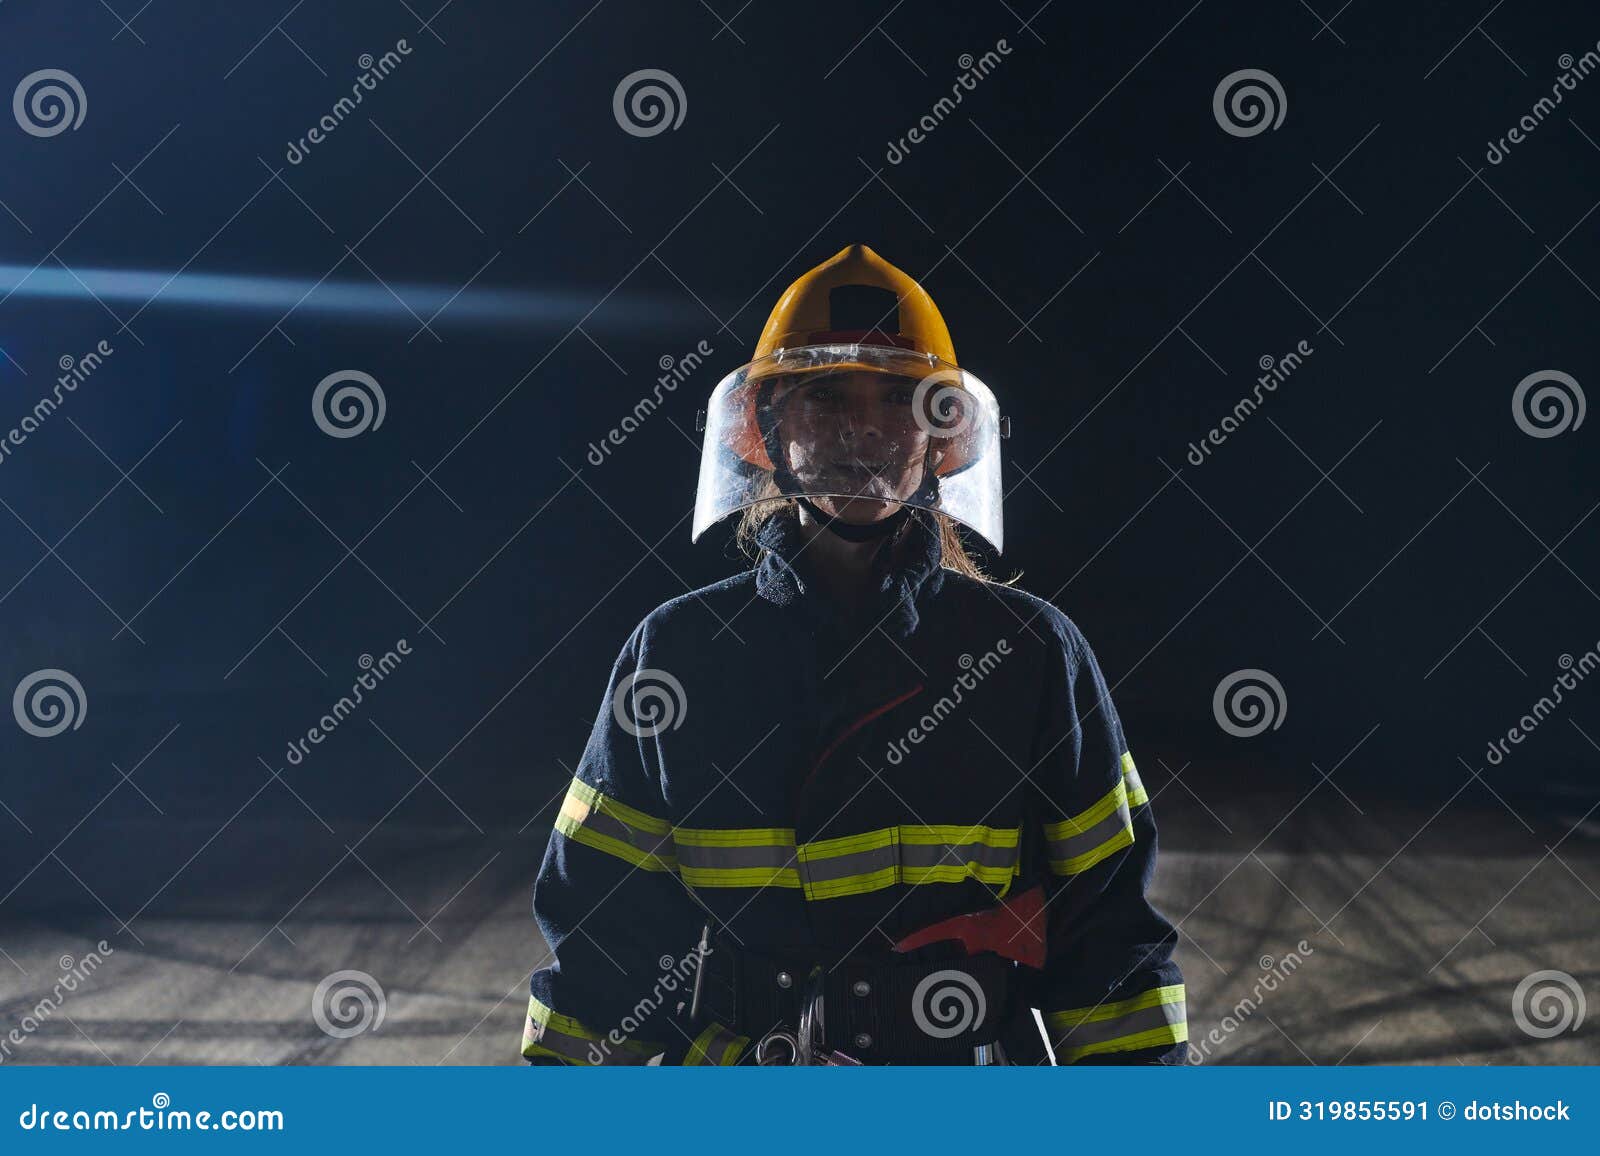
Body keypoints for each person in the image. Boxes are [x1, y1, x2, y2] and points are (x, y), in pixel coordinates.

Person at [522, 244, 1186, 1065]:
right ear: (768, 427)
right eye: (826, 397)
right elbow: (600, 948)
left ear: (941, 441)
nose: (862, 430)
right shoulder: (678, 653)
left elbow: (1111, 938)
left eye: (897, 401)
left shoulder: (1029, 652)